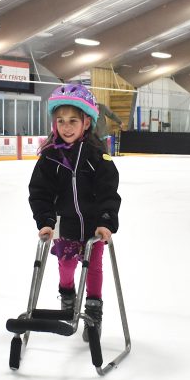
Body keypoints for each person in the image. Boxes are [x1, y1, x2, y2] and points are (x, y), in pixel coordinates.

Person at [29, 84, 121, 339]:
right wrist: (46, 221)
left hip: (93, 226)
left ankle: (93, 312)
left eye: (72, 121)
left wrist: (106, 221)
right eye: (61, 121)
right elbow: (40, 192)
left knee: (93, 268)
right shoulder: (50, 158)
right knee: (66, 265)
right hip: (64, 224)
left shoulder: (97, 157)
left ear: (86, 123)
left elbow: (108, 193)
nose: (66, 127)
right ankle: (68, 298)